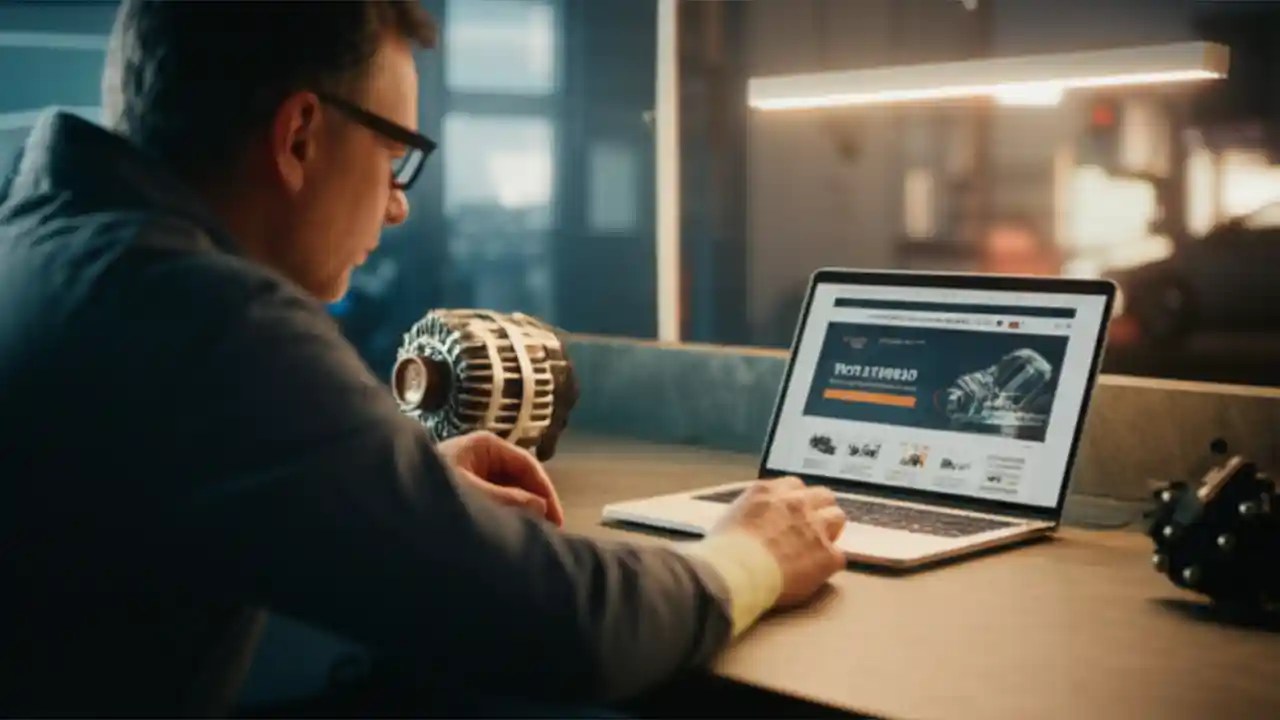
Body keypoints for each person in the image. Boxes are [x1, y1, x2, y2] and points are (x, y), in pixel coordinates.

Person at [0, 1, 847, 716]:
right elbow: (561, 627)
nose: (399, 205)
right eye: (395, 153)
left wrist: (381, 489)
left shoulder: (48, 243)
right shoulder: (204, 317)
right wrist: (750, 555)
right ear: (299, 136)